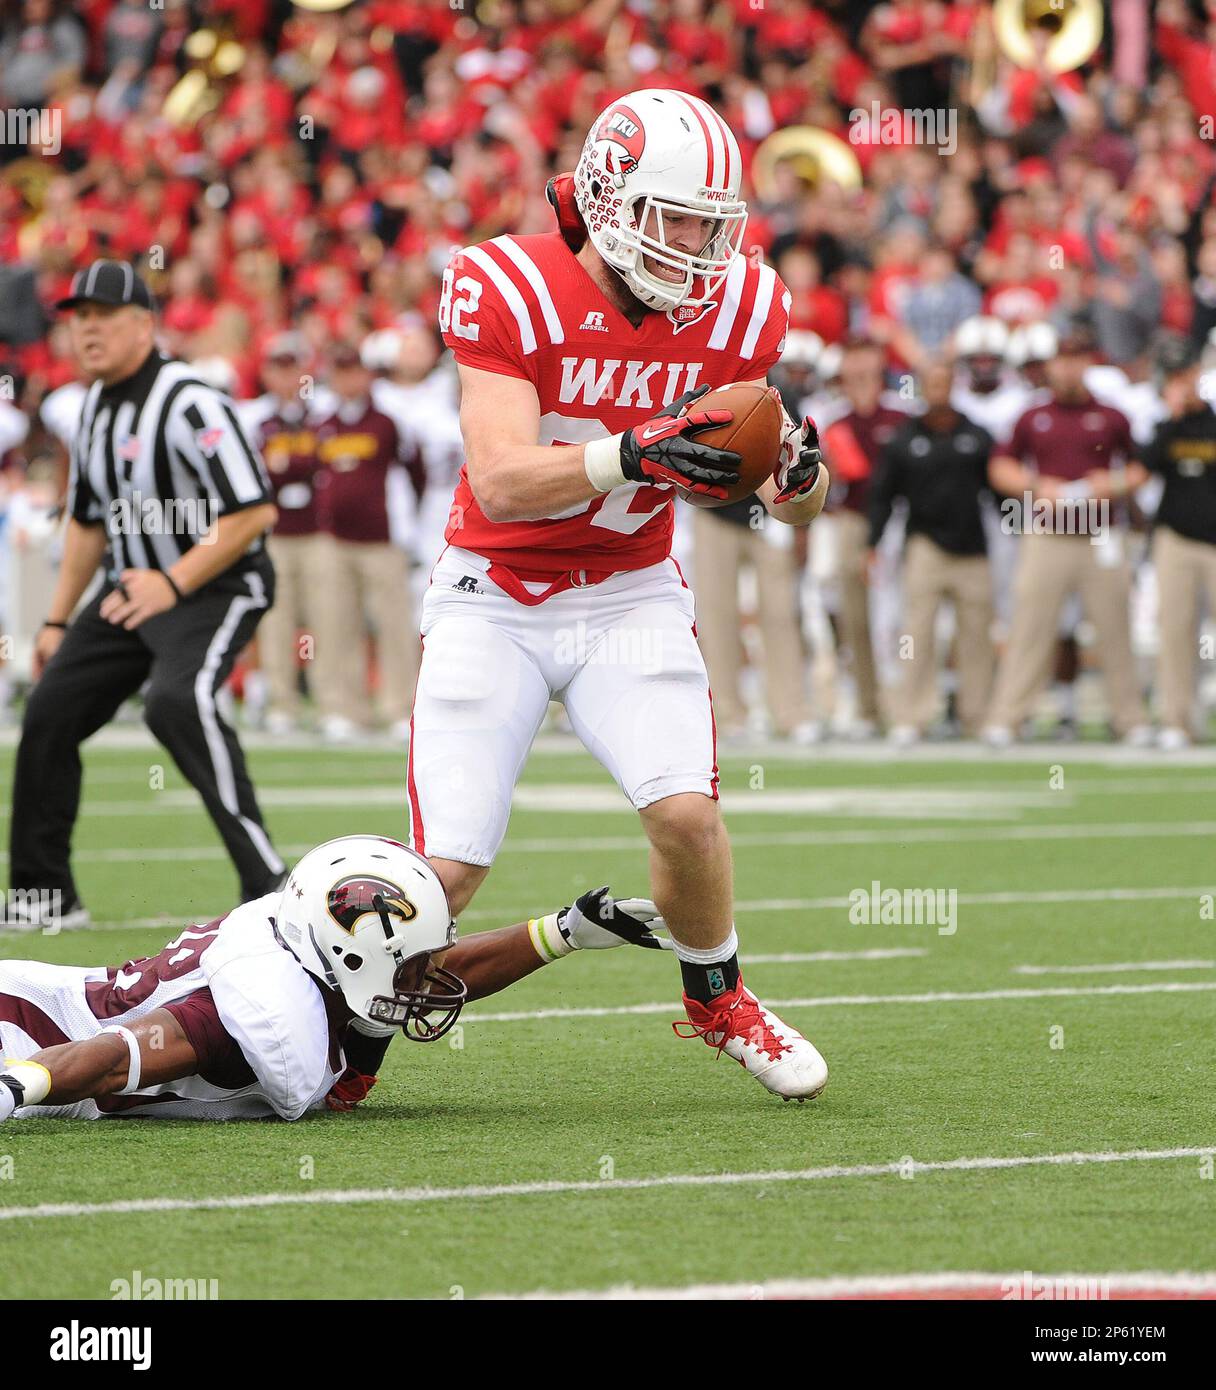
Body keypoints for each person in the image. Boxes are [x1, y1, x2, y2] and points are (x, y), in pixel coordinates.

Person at [405, 89, 831, 1101]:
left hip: (629, 590)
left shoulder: (740, 307)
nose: (694, 245)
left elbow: (789, 501)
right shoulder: (509, 282)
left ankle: (716, 997)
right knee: (450, 869)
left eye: (710, 224)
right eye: (673, 217)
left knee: (685, 812)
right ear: (605, 198)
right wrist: (633, 449)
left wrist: (798, 477)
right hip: (493, 592)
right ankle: (341, 1021)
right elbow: (503, 477)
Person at [0, 835, 668, 1122]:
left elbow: (423, 970)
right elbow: (116, 1056)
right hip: (23, 1034)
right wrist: (14, 1085)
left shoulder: (311, 954)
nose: (432, 979)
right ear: (352, 963)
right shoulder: (259, 1010)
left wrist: (561, 934)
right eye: (414, 964)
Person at [7, 260, 284, 929]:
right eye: (78, 320)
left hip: (214, 586)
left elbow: (253, 513)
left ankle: (269, 885)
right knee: (48, 712)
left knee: (176, 702)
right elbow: (86, 522)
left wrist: (173, 580)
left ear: (144, 324)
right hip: (131, 591)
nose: (87, 332)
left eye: (103, 317)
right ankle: (44, 895)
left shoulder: (191, 399)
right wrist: (52, 621)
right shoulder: (94, 407)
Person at [983, 325, 1152, 745]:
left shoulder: (1111, 415)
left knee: (1114, 630)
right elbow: (999, 469)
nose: (1069, 368)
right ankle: (1008, 717)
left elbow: (1140, 468)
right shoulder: (1033, 415)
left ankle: (1130, 719)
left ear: (1088, 364)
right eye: (1063, 360)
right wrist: (1038, 486)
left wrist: (1110, 484)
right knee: (1029, 629)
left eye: (1077, 359)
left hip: (1100, 534)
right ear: (1052, 365)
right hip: (1048, 533)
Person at [868, 361, 995, 743]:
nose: (938, 390)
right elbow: (882, 496)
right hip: (924, 546)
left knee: (976, 635)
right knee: (916, 635)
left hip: (973, 547)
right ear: (922, 388)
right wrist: (872, 544)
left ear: (953, 385)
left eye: (944, 382)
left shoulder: (977, 434)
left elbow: (998, 487)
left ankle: (978, 715)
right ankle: (911, 714)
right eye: (932, 383)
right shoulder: (905, 438)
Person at [1141, 345, 1216, 748]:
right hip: (1176, 538)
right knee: (1175, 632)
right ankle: (1175, 718)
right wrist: (1172, 418)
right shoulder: (1166, 427)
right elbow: (1142, 466)